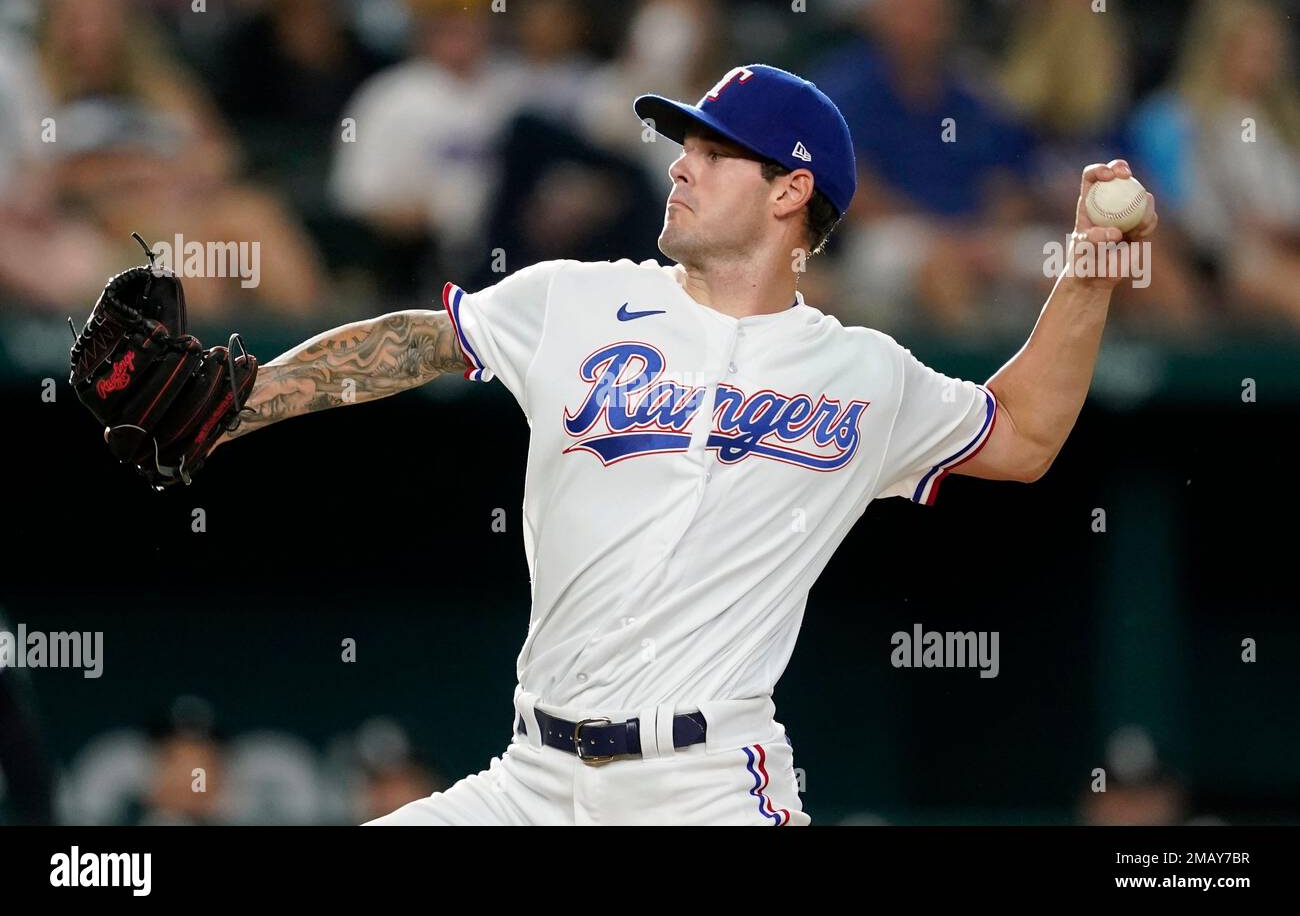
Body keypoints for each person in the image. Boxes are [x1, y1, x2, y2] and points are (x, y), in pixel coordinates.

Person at [208, 64, 1157, 825]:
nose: (679, 166)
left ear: (792, 190)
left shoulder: (866, 375)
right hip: (531, 781)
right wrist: (242, 400)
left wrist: (1089, 271)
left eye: (713, 152)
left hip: (704, 787)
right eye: (684, 146)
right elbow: (416, 342)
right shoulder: (575, 300)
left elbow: (1025, 432)